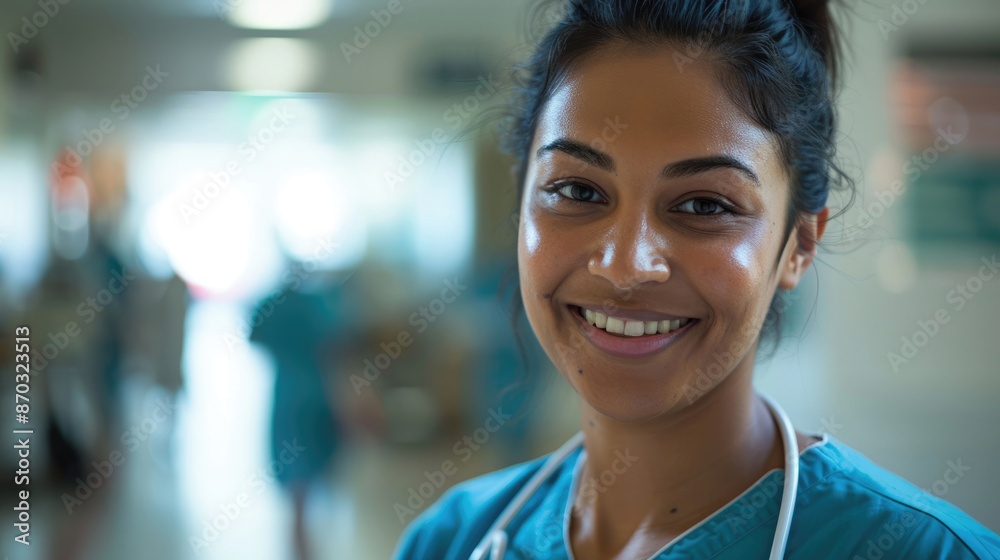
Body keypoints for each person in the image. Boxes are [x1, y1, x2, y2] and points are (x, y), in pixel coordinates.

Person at [391, 0, 1000, 559]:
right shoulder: (450, 539)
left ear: (799, 245)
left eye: (705, 206)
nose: (626, 265)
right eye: (577, 190)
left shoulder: (921, 550)